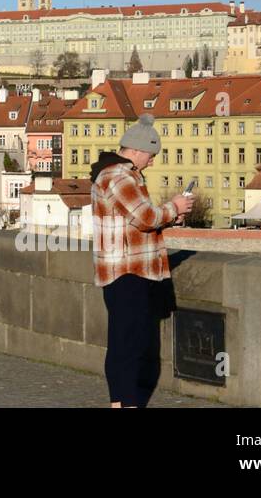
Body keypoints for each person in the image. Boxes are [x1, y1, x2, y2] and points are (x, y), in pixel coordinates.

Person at [90, 113, 193, 409]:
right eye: (151, 154)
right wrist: (174, 207)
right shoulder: (118, 176)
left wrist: (171, 215)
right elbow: (145, 217)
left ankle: (122, 403)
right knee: (129, 344)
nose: (152, 161)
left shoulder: (120, 174)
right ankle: (126, 403)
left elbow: (136, 222)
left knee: (126, 342)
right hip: (127, 272)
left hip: (129, 269)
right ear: (136, 150)